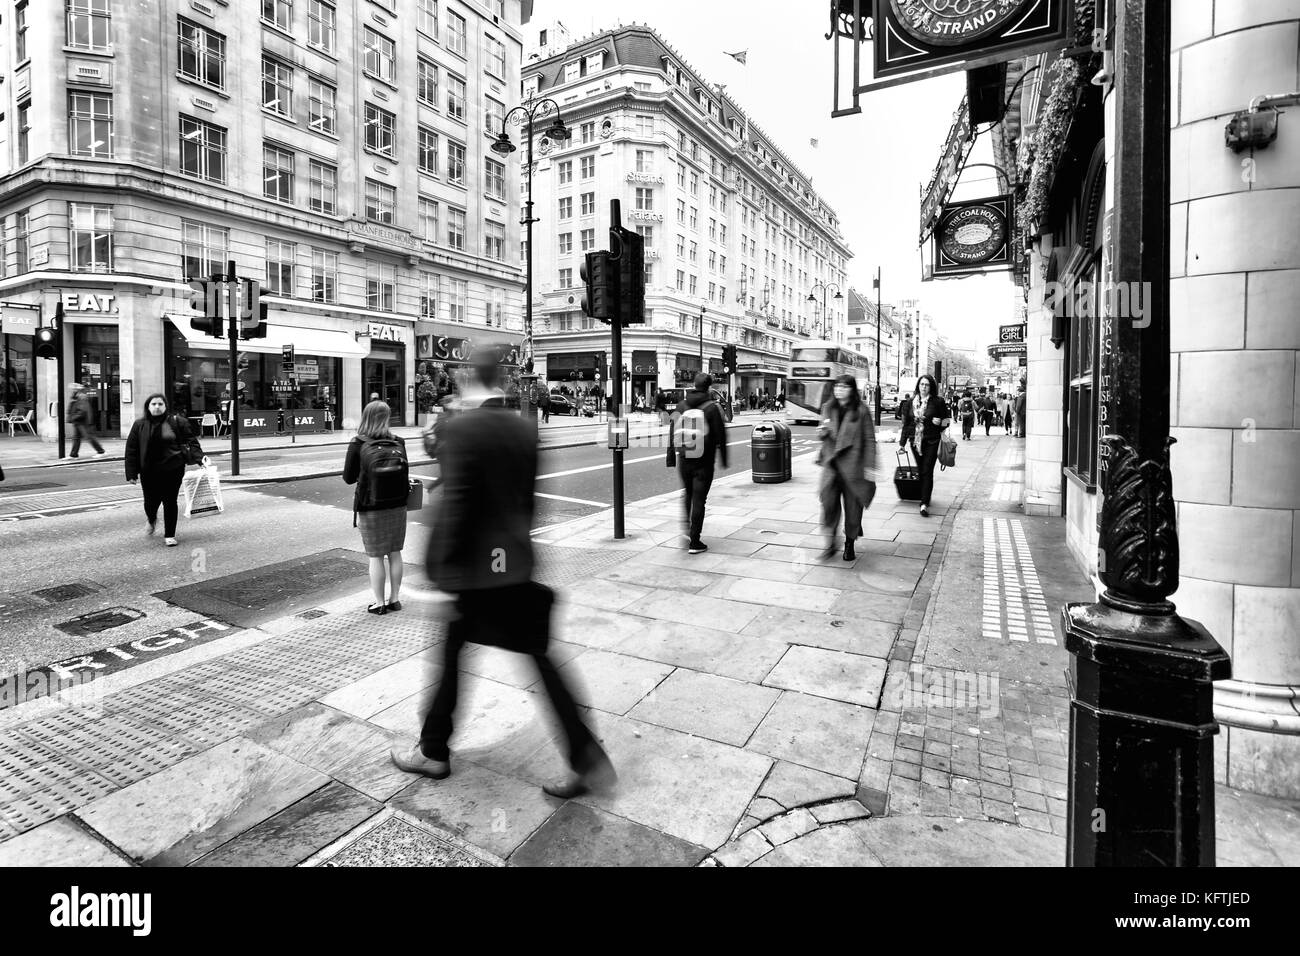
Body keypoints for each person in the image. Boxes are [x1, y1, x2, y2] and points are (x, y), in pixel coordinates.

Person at [392, 349, 616, 799]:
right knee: (534, 658)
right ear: (505, 381)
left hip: (475, 572)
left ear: (470, 377)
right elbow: (531, 502)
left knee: (454, 656)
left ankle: (434, 750)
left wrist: (437, 569)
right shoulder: (522, 427)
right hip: (512, 562)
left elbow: (456, 504)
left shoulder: (464, 429)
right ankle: (586, 759)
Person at [343, 400, 409, 615]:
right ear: (387, 417)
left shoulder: (358, 443)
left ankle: (379, 603)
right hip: (398, 503)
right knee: (395, 552)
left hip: (371, 505)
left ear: (366, 417)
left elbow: (348, 478)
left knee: (376, 556)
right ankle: (395, 600)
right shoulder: (398, 441)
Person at [125, 393, 202, 547]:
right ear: (148, 406)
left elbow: (191, 441)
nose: (157, 407)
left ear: (166, 406)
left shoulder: (177, 422)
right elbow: (131, 450)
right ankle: (152, 518)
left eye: (160, 404)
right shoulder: (140, 424)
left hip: (173, 469)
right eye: (153, 404)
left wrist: (201, 459)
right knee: (150, 503)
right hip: (149, 471)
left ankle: (170, 534)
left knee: (170, 501)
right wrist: (131, 473)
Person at [666, 372, 729, 555]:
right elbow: (720, 435)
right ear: (708, 387)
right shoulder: (712, 407)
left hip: (684, 459)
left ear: (694, 384)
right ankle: (695, 541)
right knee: (699, 499)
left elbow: (672, 431)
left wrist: (671, 457)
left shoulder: (681, 405)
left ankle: (686, 533)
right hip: (704, 461)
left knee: (687, 494)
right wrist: (724, 458)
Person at [817, 375, 877, 562]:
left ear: (852, 389)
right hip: (832, 467)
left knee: (853, 510)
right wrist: (822, 432)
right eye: (837, 386)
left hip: (853, 467)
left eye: (844, 387)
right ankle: (830, 543)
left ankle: (849, 543)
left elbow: (869, 439)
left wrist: (870, 466)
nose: (839, 390)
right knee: (828, 505)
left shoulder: (861, 410)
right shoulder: (829, 407)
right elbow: (823, 429)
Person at [910, 374, 951, 518]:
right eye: (922, 384)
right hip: (916, 442)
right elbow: (907, 422)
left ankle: (924, 503)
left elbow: (947, 421)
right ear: (918, 386)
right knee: (921, 471)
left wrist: (940, 423)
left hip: (932, 441)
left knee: (927, 470)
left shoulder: (938, 401)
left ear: (931, 387)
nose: (924, 387)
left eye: (927, 385)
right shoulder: (912, 401)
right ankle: (924, 496)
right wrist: (903, 442)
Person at [67, 386, 105, 458]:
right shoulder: (75, 398)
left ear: (77, 390)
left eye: (73, 389)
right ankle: (73, 454)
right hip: (78, 421)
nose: (71, 390)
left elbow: (82, 411)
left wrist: (73, 417)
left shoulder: (81, 397)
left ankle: (101, 451)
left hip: (83, 422)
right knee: (76, 438)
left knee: (89, 437)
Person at [897, 391, 920, 462]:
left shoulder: (907, 403)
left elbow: (904, 421)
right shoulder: (910, 403)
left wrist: (902, 444)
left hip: (914, 433)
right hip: (918, 433)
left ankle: (902, 446)